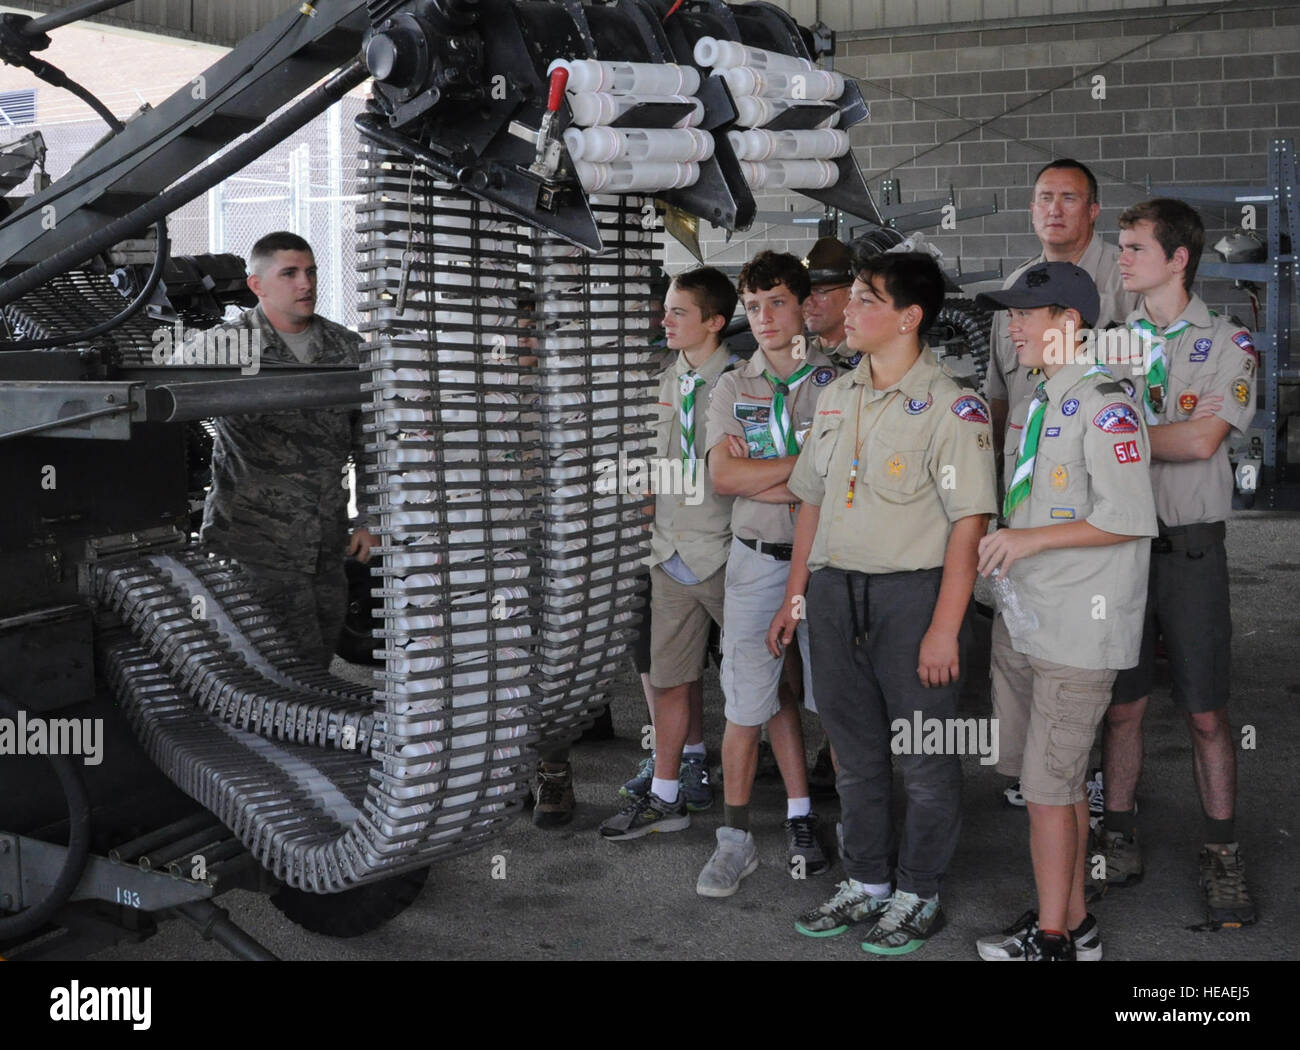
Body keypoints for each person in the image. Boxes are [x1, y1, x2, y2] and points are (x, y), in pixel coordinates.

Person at [769, 251, 996, 954]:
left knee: (926, 755)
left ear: (909, 317)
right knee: (857, 752)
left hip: (914, 598)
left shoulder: (955, 405)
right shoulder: (837, 394)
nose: (848, 309)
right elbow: (809, 500)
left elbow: (969, 523)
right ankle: (867, 882)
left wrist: (944, 629)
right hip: (835, 595)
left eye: (867, 298)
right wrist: (794, 596)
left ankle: (918, 891)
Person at [969, 263, 1157, 961]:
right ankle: (1072, 922)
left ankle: (1053, 941)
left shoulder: (1106, 402)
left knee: (1050, 789)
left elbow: (1130, 516)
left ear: (1069, 322)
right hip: (1028, 617)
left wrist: (1027, 538)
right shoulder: (1038, 397)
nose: (1012, 326)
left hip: (1081, 627)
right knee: (1055, 783)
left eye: (1025, 314)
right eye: (1011, 314)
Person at [1094, 199, 1258, 927]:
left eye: (1133, 248)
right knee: (1121, 708)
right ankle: (1118, 835)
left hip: (1191, 550)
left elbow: (1201, 442)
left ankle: (1222, 854)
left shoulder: (1229, 343)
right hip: (1120, 551)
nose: (1122, 259)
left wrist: (1116, 437)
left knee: (1205, 714)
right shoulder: (1108, 344)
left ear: (1178, 258)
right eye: (1121, 247)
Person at [693, 250, 837, 897]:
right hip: (755, 563)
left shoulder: (838, 384)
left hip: (828, 565)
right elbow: (724, 479)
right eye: (752, 306)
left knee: (834, 697)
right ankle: (735, 838)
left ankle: (814, 817)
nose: (765, 317)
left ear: (804, 305)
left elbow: (841, 483)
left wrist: (774, 474)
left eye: (776, 301)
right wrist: (801, 471)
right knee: (747, 702)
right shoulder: (733, 385)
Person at [599, 267, 738, 840]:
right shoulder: (662, 383)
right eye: (667, 309)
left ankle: (767, 810)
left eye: (679, 312)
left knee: (760, 685)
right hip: (669, 555)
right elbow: (650, 472)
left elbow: (724, 475)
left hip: (728, 554)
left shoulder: (743, 383)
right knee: (670, 679)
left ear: (714, 322)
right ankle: (667, 794)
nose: (665, 319)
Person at [200, 231, 373, 667]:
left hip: (326, 546)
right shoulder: (223, 346)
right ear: (257, 285)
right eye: (290, 273)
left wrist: (372, 518)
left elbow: (374, 446)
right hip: (252, 547)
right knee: (259, 667)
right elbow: (158, 392)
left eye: (311, 272)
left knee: (316, 659)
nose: (305, 284)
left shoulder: (347, 350)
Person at [986, 160, 1140, 453]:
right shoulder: (1014, 287)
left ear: (1093, 211)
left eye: (1069, 198)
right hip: (1023, 471)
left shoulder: (1129, 280)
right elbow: (999, 397)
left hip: (1099, 462)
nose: (1054, 210)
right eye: (1045, 198)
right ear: (1032, 209)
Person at [803, 236, 859, 371]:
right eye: (804, 292)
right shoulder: (798, 355)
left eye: (819, 291)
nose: (808, 302)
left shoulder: (873, 357)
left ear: (851, 293)